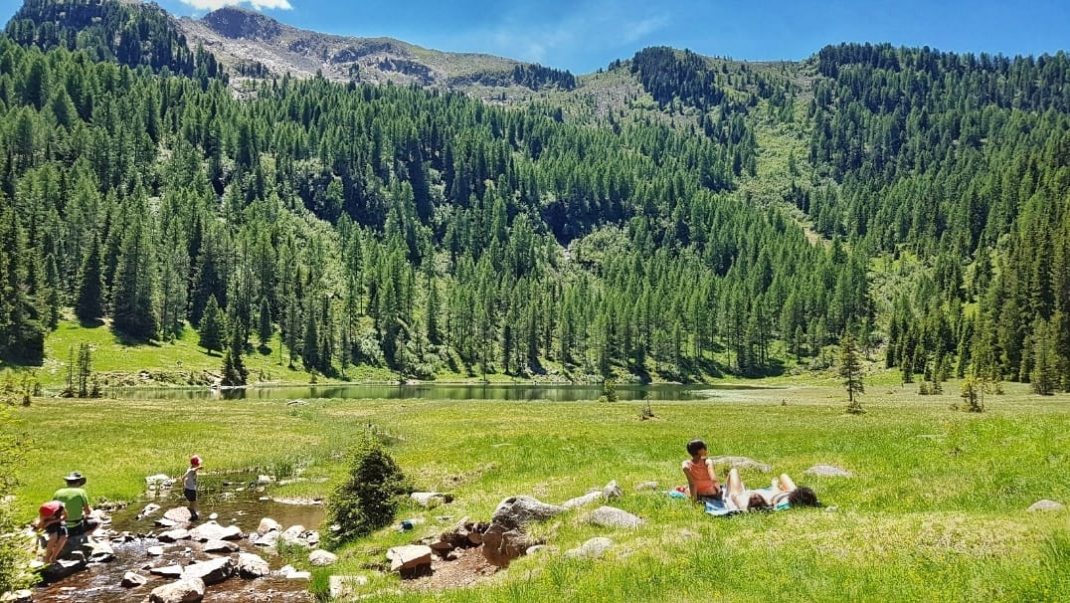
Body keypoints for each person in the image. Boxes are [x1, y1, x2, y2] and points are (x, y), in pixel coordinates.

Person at [723, 467, 820, 512]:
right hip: (789, 493)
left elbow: (733, 496)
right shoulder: (784, 500)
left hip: (783, 494)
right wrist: (775, 485)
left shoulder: (742, 502)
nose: (755, 496)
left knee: (733, 471)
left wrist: (775, 486)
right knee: (783, 476)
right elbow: (774, 497)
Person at [53, 471, 98, 537]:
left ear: (67, 482)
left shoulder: (58, 492)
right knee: (98, 522)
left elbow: (53, 510)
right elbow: (88, 512)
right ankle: (83, 536)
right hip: (75, 527)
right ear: (78, 482)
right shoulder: (81, 492)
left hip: (61, 526)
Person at [182, 455, 202, 521]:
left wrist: (184, 485)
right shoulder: (192, 470)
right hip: (191, 490)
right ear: (195, 464)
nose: (199, 465)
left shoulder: (189, 469)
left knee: (192, 503)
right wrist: (198, 468)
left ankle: (191, 512)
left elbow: (183, 477)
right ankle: (191, 514)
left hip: (187, 489)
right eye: (198, 464)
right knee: (193, 503)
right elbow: (193, 470)